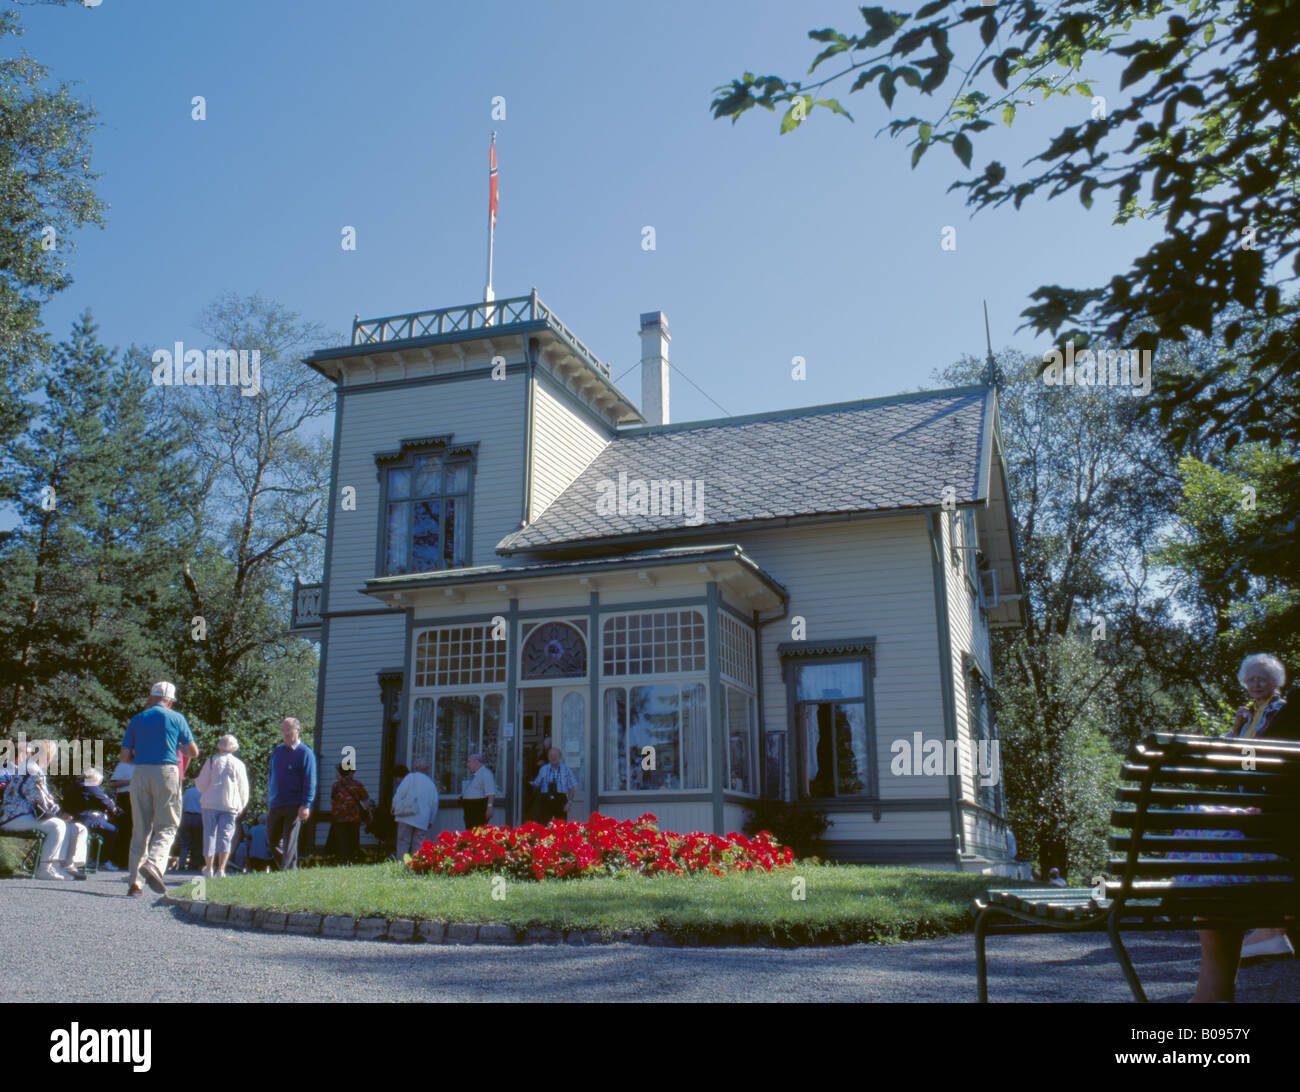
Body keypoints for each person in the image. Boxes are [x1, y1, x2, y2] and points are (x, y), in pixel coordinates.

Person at [1187, 653, 1293, 1002]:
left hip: (1272, 806)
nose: (1257, 683)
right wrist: (1234, 732)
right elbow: (1239, 758)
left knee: (1206, 829)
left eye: (1263, 677)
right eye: (1251, 678)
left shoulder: (1284, 712)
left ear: (1278, 681)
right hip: (1261, 800)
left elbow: (1263, 758)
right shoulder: (1248, 714)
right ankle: (1272, 928)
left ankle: (1215, 990)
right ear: (1243, 682)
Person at [121, 681, 198, 896]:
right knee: (167, 825)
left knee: (140, 828)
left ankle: (135, 884)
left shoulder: (137, 719)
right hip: (167, 771)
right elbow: (193, 751)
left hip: (140, 772)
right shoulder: (176, 718)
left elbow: (124, 757)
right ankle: (153, 864)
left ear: (151, 697)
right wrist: (179, 747)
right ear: (170, 700)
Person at [0, 739, 88, 880]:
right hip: (14, 817)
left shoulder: (29, 767)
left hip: (16, 815)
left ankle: (57, 866)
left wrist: (58, 812)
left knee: (63, 824)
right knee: (58, 825)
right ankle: (46, 869)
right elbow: (39, 799)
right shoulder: (33, 770)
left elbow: (44, 797)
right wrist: (59, 813)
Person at [195, 734, 250, 878]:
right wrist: (241, 805)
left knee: (209, 835)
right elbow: (243, 788)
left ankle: (209, 868)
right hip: (230, 805)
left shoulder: (212, 761)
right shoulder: (239, 764)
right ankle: (221, 869)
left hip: (210, 803)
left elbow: (201, 785)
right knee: (226, 836)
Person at [266, 716, 316, 871]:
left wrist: (306, 804)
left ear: (298, 730)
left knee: (289, 841)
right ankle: (289, 869)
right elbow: (271, 775)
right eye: (283, 730)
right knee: (272, 839)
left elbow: (310, 780)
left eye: (289, 730)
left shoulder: (305, 753)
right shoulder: (277, 751)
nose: (285, 734)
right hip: (276, 803)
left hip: (294, 804)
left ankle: (286, 874)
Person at [64, 766, 124, 872]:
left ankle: (91, 857)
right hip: (87, 819)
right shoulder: (90, 785)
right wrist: (115, 810)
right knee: (112, 830)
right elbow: (105, 801)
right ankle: (103, 861)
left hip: (73, 820)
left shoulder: (72, 787)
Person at [391, 757, 438, 858]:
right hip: (423, 818)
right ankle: (416, 865)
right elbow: (434, 804)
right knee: (418, 843)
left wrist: (394, 805)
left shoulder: (410, 777)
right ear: (426, 769)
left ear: (415, 767)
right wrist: (431, 820)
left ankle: (401, 864)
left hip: (406, 814)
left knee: (403, 841)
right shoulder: (431, 784)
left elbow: (400, 793)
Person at [329, 763, 372, 864]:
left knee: (341, 840)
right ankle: (352, 860)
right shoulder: (358, 784)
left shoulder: (336, 785)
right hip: (354, 816)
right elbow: (365, 801)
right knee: (353, 839)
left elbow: (332, 801)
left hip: (339, 817)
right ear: (350, 772)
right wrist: (369, 813)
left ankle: (342, 860)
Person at [531, 747, 578, 824]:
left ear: (560, 757)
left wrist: (569, 803)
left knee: (561, 825)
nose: (553, 757)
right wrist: (532, 784)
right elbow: (537, 784)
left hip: (560, 799)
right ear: (548, 757)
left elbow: (572, 787)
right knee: (544, 824)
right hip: (545, 799)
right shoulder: (543, 769)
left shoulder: (566, 770)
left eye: (556, 755)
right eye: (551, 755)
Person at [108, 758, 134, 869]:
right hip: (126, 798)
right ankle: (119, 860)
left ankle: (131, 861)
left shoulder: (145, 764)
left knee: (137, 831)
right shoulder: (124, 765)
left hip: (140, 798)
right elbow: (112, 784)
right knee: (124, 830)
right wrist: (130, 781)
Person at [176, 774, 204, 872]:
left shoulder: (188, 791)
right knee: (197, 842)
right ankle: (194, 864)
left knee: (184, 843)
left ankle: (182, 864)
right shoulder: (203, 792)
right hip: (198, 817)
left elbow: (181, 804)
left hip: (186, 816)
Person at [461, 754, 496, 829]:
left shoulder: (486, 774)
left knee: (477, 833)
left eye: (469, 762)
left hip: (478, 810)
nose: (467, 765)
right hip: (470, 810)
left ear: (477, 762)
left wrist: (489, 808)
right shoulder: (477, 775)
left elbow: (491, 793)